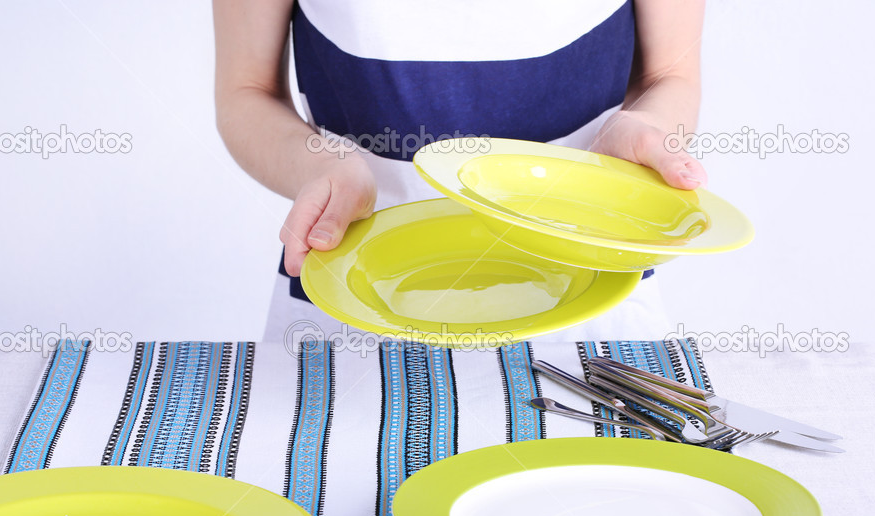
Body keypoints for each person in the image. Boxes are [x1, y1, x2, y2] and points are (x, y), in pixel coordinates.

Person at [213, 0, 707, 344]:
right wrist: (323, 167)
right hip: (351, 299)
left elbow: (670, 74)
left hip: (596, 309)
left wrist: (645, 129)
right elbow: (247, 88)